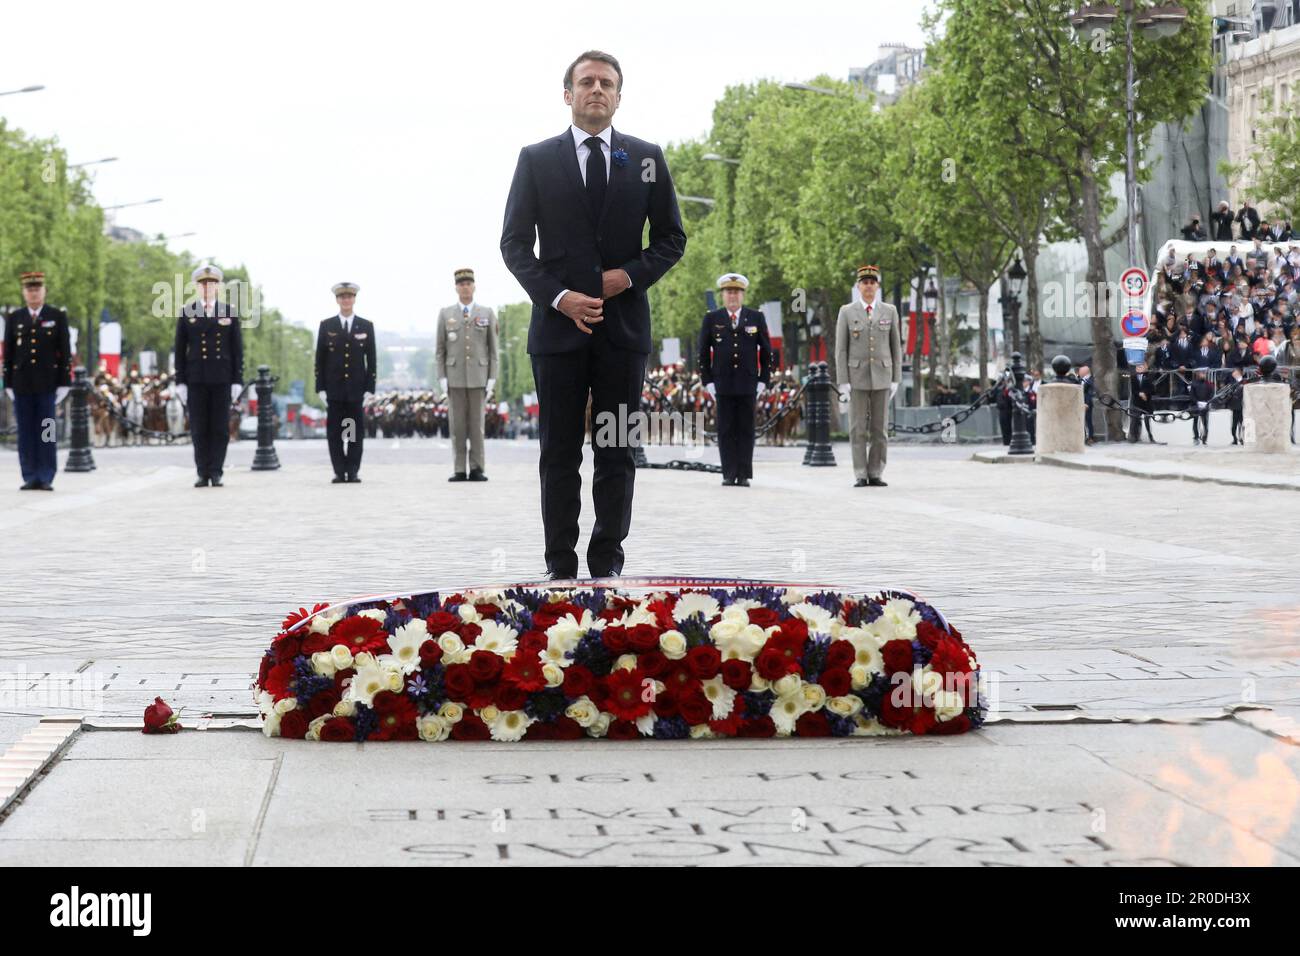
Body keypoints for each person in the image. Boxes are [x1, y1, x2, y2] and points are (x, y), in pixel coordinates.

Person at [500, 49, 686, 580]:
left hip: (622, 333)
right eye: (587, 82)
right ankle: (559, 567)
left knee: (617, 451)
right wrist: (560, 298)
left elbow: (672, 238)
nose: (596, 89)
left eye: (607, 82)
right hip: (557, 334)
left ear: (619, 96)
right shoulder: (535, 159)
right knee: (558, 455)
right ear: (568, 94)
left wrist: (627, 276)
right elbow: (514, 245)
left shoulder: (647, 158)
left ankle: (607, 565)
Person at [697, 272, 772, 486]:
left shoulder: (756, 317)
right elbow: (702, 352)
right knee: (726, 430)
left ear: (743, 295)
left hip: (748, 383)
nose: (733, 296)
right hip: (722, 383)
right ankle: (729, 473)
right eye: (729, 292)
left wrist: (763, 380)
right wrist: (707, 381)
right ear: (723, 295)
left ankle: (744, 474)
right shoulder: (712, 318)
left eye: (737, 292)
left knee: (746, 430)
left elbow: (766, 352)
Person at [173, 264, 243, 487]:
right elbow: (180, 349)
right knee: (199, 427)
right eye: (203, 284)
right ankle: (202, 471)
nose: (207, 287)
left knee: (220, 428)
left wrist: (237, 380)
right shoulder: (187, 311)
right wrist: (180, 381)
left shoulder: (228, 312)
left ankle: (216, 471)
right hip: (196, 378)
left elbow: (237, 349)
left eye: (211, 284)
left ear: (218, 287)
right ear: (196, 286)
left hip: (221, 378)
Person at [835, 264, 901, 487]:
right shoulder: (846, 311)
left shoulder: (889, 311)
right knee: (857, 429)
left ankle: (876, 472)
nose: (869, 287)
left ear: (878, 286)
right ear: (858, 286)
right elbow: (841, 349)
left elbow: (896, 347)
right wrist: (843, 380)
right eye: (865, 283)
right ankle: (860, 473)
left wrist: (896, 379)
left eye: (872, 283)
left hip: (883, 374)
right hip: (857, 377)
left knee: (880, 429)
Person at [2, 272, 70, 490]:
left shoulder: (57, 316)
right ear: (24, 293)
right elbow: (9, 353)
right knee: (26, 431)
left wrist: (64, 382)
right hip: (22, 384)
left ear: (44, 291)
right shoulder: (15, 318)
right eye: (29, 290)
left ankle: (46, 474)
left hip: (47, 385)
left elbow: (64, 351)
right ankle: (30, 474)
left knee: (46, 430)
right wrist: (8, 382)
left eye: (37, 289)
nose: (33, 293)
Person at [436, 268, 498, 482]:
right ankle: (459, 468)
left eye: (468, 283)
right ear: (456, 287)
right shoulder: (446, 314)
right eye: (461, 284)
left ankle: (477, 467)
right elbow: (440, 350)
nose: (465, 287)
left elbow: (493, 350)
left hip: (479, 377)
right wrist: (442, 378)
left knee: (477, 426)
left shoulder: (486, 313)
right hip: (454, 377)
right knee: (457, 427)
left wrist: (492, 378)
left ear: (474, 286)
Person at [315, 281, 376, 483]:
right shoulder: (327, 325)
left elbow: (372, 359)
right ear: (337, 300)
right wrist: (320, 387)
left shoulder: (366, 326)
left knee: (353, 432)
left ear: (354, 299)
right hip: (334, 390)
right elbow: (320, 359)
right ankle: (339, 471)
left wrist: (369, 388)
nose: (346, 300)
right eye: (342, 297)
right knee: (335, 432)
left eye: (349, 297)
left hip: (355, 391)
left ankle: (353, 470)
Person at [1128, 360, 1157, 443]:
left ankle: (1150, 436)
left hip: (1147, 403)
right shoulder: (1133, 377)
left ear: (1145, 368)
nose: (1139, 369)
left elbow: (1152, 389)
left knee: (1147, 420)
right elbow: (1134, 390)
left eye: (1141, 367)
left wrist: (1145, 393)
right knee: (1135, 419)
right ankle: (1134, 436)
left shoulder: (1149, 376)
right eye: (1137, 367)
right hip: (1137, 402)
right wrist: (1140, 393)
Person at [1189, 371, 1214, 444]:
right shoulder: (1193, 384)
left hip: (1205, 405)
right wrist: (1197, 402)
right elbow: (1191, 395)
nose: (1203, 375)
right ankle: (1196, 437)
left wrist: (1207, 402)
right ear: (1197, 374)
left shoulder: (1209, 384)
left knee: (1205, 423)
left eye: (1204, 374)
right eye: (1202, 373)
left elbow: (1211, 394)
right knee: (1195, 422)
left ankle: (1204, 438)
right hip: (1196, 405)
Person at [1079, 364, 1097, 444]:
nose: (1079, 372)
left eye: (1080, 371)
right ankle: (1083, 436)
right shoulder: (1082, 379)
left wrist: (1087, 403)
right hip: (1080, 403)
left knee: (1088, 421)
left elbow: (1090, 393)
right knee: (1082, 421)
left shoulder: (1090, 380)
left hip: (1087, 404)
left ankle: (1090, 437)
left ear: (1085, 371)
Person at [1227, 367, 1246, 445]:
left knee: (1241, 423)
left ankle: (1242, 438)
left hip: (1241, 405)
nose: (1233, 374)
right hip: (1235, 406)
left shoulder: (1244, 382)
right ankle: (1235, 438)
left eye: (1235, 372)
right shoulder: (1233, 383)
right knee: (1234, 424)